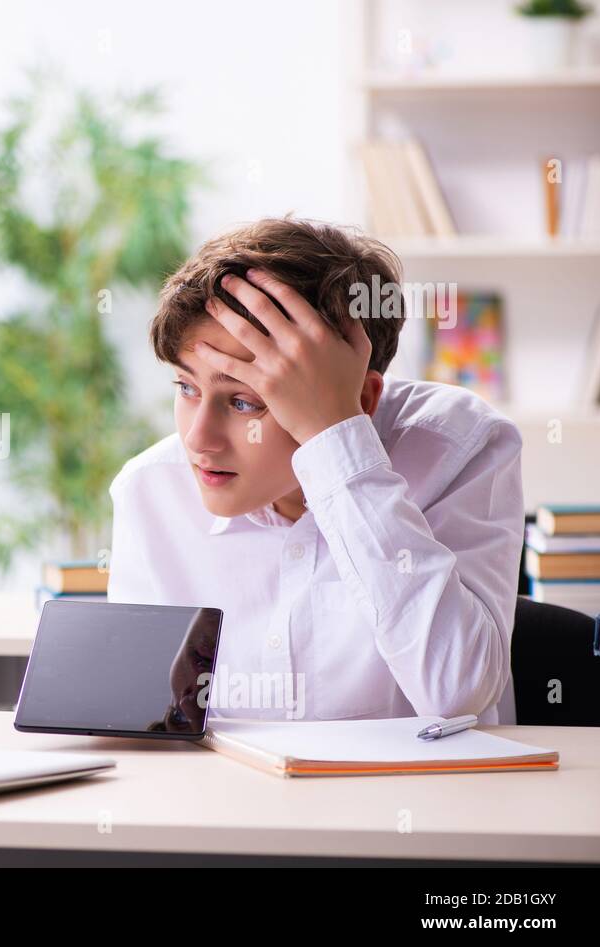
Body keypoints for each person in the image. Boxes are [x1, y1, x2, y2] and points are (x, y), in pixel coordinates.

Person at [107, 217, 524, 723]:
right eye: (187, 388)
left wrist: (337, 439)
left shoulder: (460, 446)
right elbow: (143, 722)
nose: (198, 439)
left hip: (414, 800)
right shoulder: (149, 491)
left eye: (243, 402)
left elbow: (458, 695)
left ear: (361, 400)